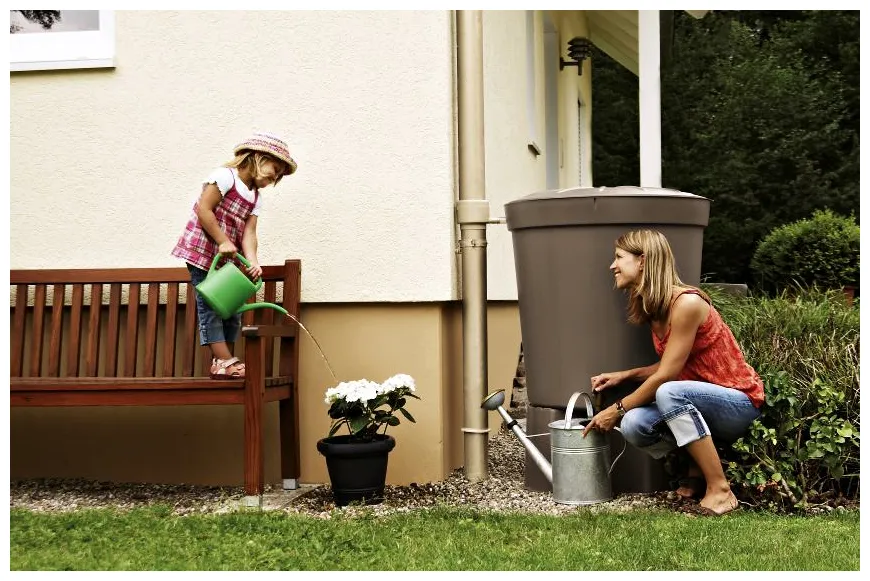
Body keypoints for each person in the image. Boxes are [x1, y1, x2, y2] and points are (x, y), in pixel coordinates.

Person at [582, 229, 764, 516]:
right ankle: (696, 469)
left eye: (619, 257)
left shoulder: (687, 303)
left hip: (738, 402)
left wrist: (615, 409)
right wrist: (625, 376)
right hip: (698, 398)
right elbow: (675, 364)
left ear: (642, 261)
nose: (612, 265)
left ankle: (720, 490)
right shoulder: (654, 306)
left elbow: (668, 376)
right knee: (635, 424)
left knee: (666, 392)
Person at [171, 131, 297, 379]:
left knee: (231, 308)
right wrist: (222, 240)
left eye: (280, 175)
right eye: (276, 169)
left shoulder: (255, 197)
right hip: (202, 252)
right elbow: (204, 210)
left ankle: (222, 361)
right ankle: (225, 359)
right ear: (259, 157)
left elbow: (249, 233)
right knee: (211, 306)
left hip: (226, 259)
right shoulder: (224, 177)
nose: (276, 177)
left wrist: (253, 261)